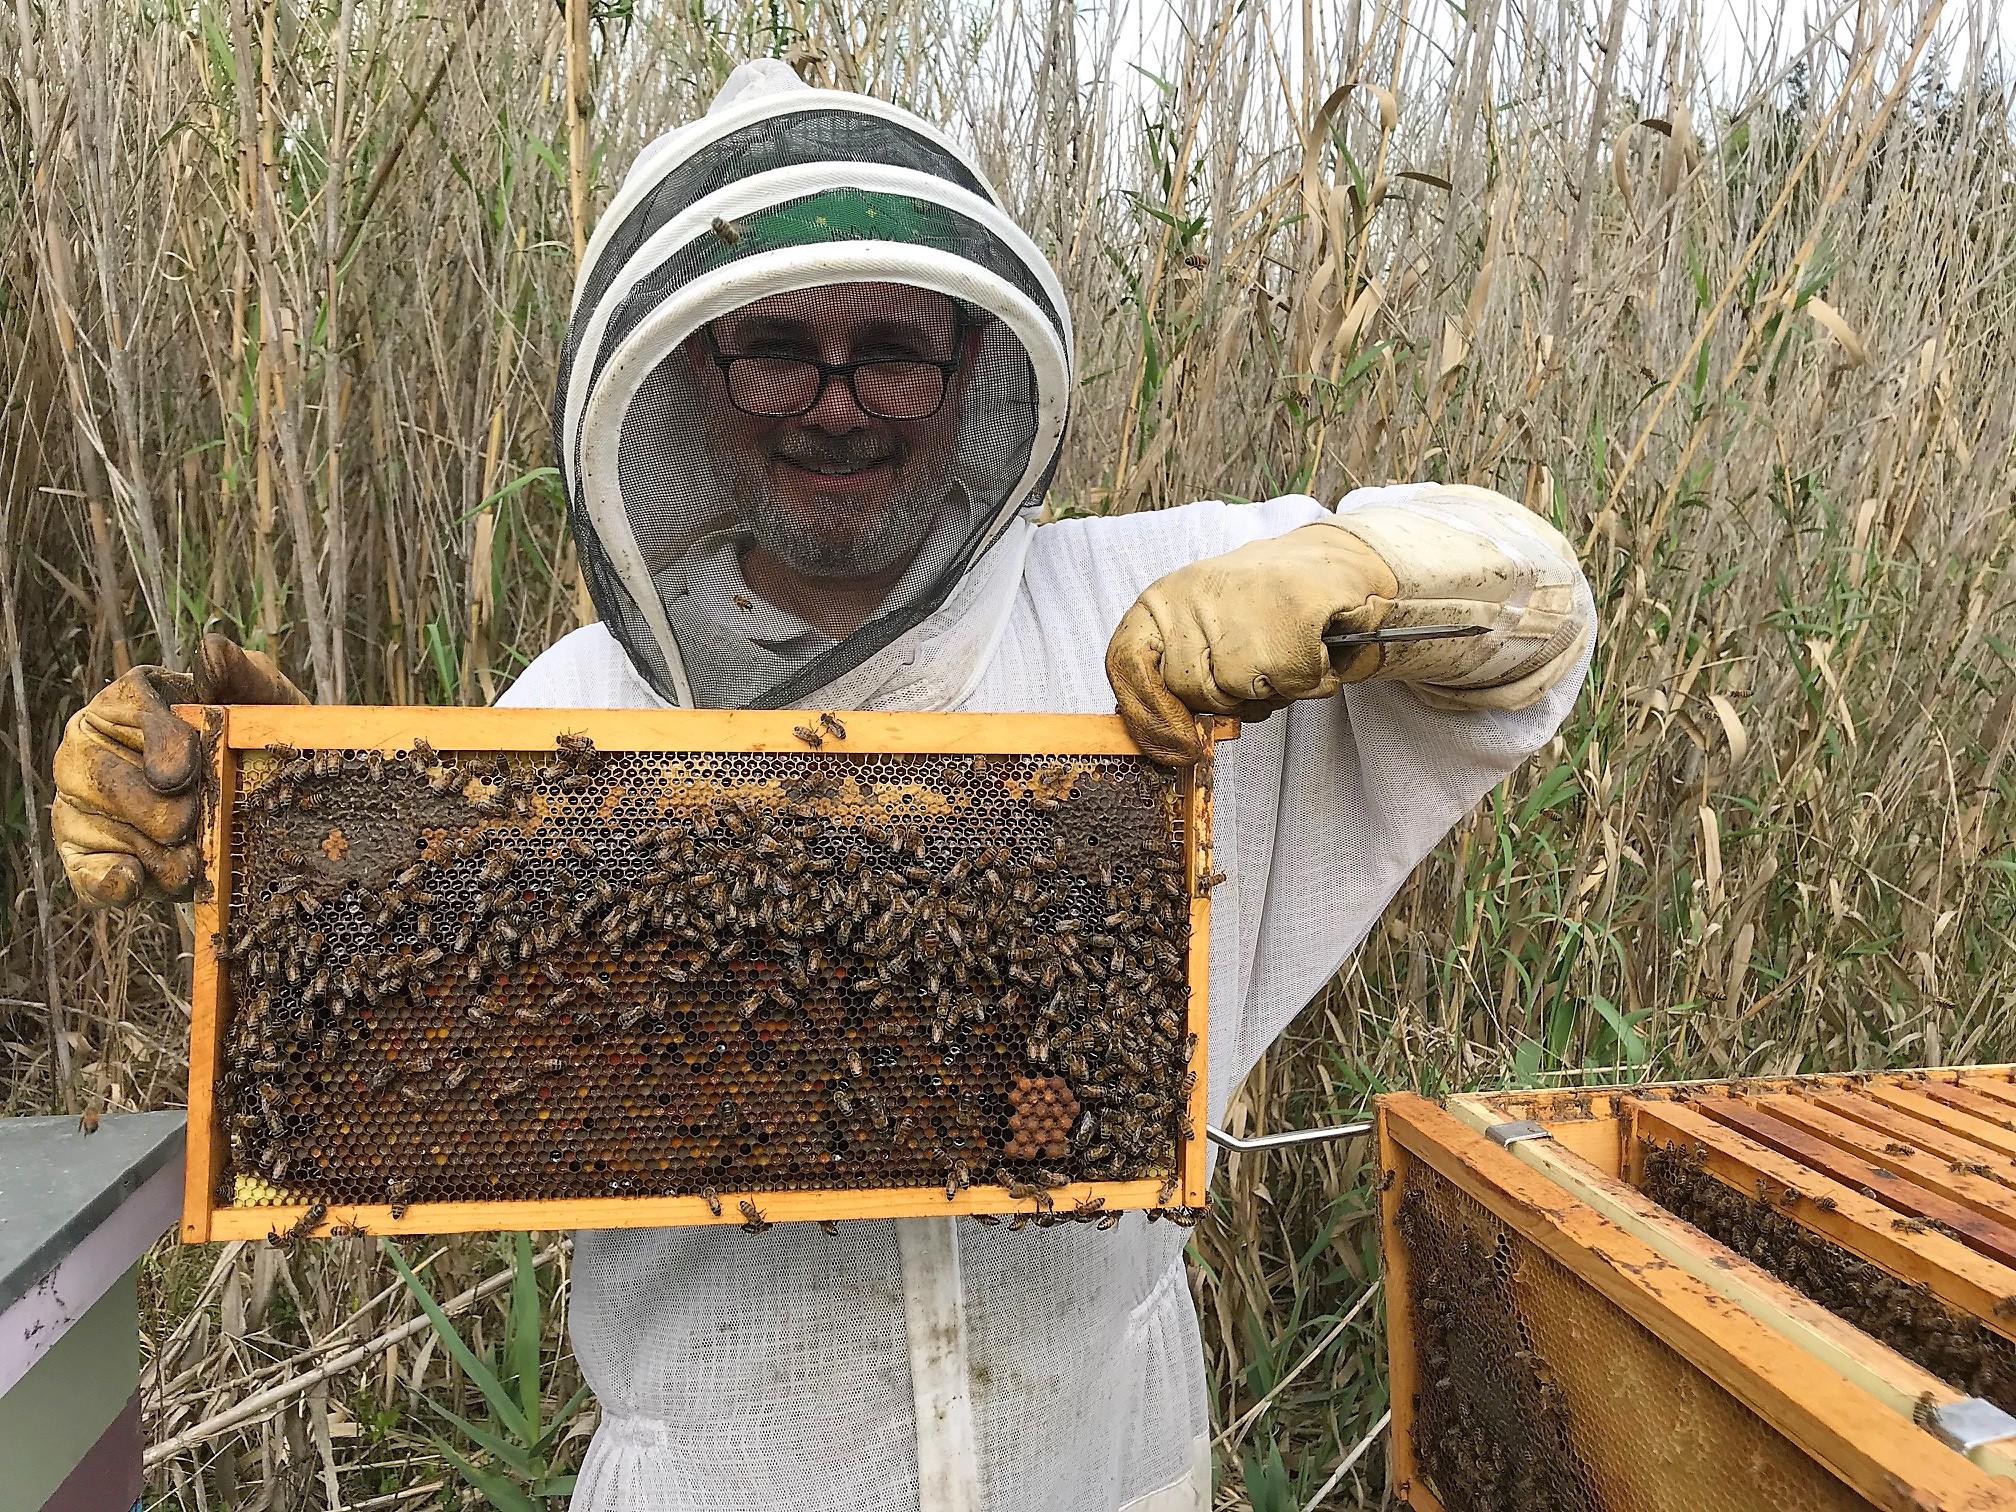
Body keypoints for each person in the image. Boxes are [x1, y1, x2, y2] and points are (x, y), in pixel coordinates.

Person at [51, 60, 1594, 1512]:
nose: (836, 399)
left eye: (895, 348)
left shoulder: (1153, 607)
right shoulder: (576, 707)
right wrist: (293, 841)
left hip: (1100, 1470)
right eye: (777, 348)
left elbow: (1540, 616)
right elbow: (435, 1040)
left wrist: (1374, 577)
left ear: (977, 360)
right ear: (686, 376)